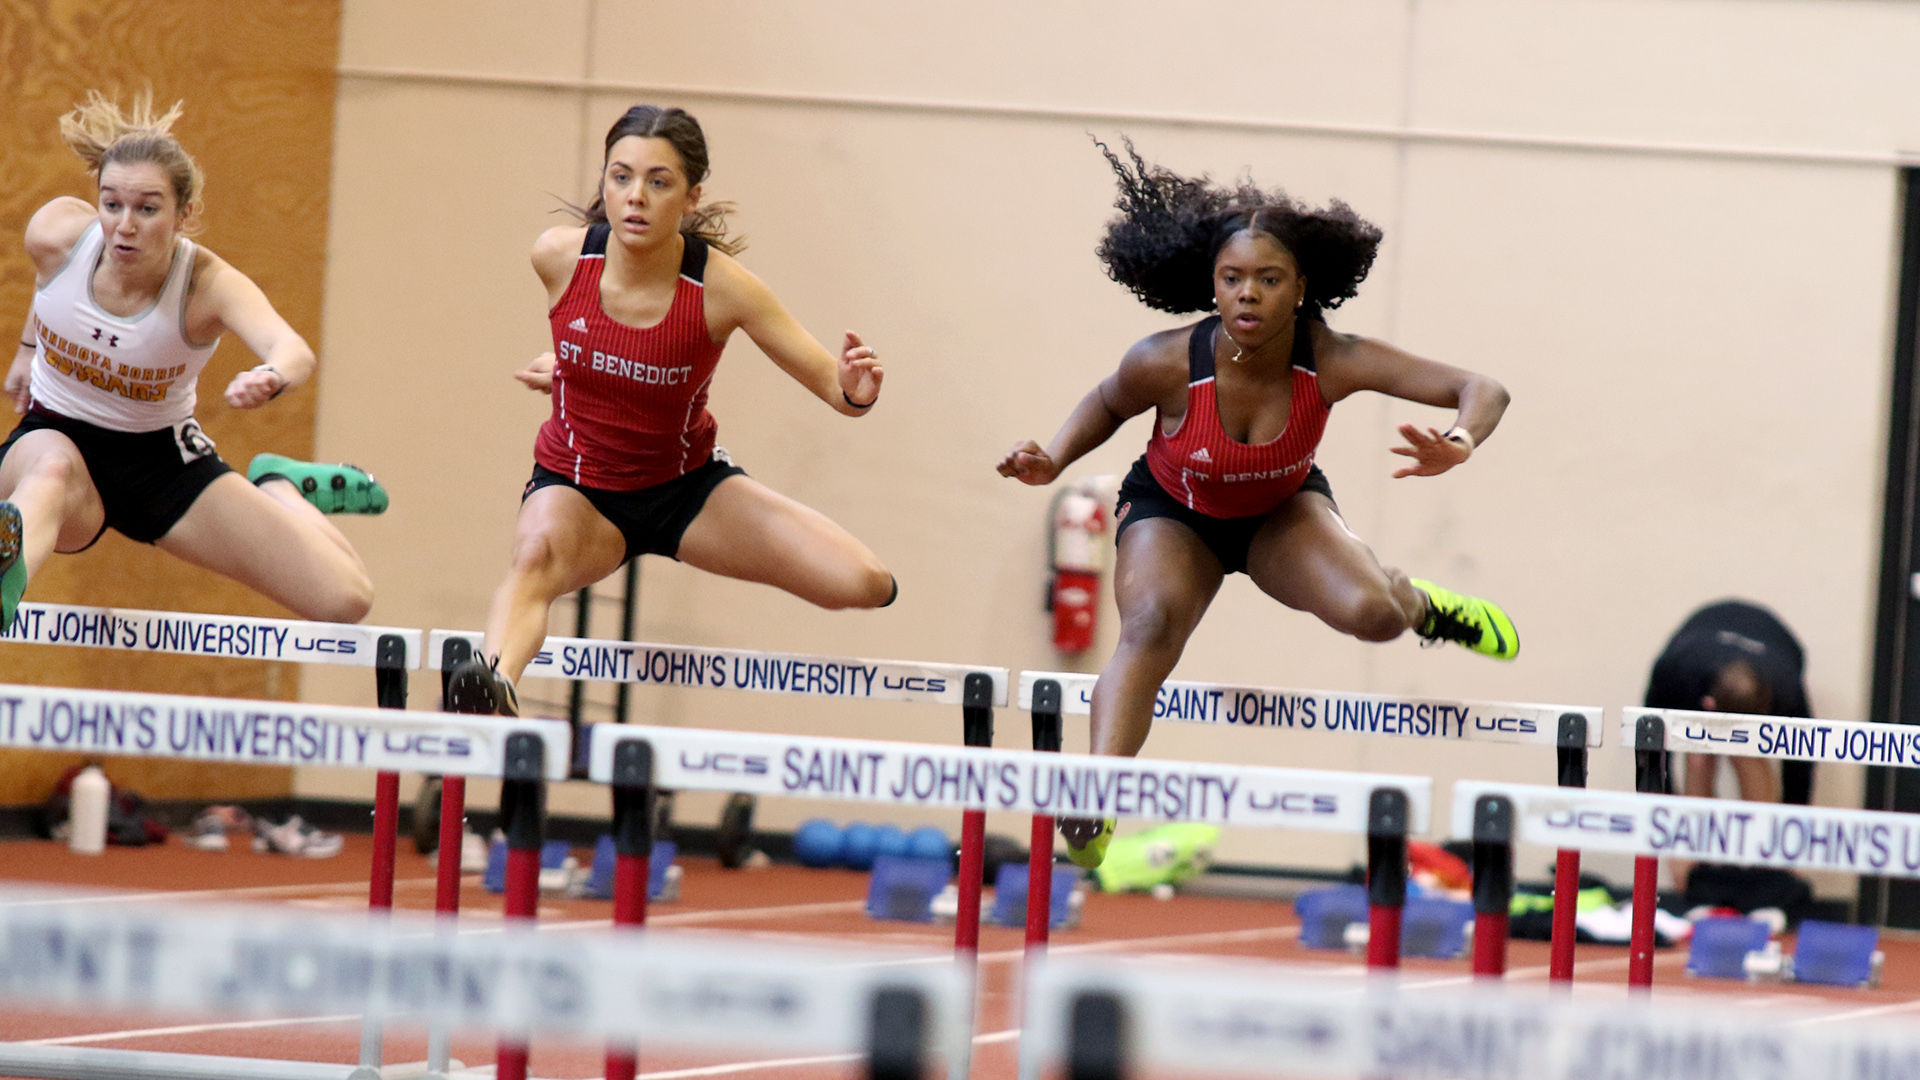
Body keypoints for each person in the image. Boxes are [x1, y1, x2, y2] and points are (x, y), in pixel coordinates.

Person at [998, 142, 1517, 868]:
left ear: (1300, 287)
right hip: (1175, 511)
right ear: (1211, 285)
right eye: (1232, 279)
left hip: (1281, 512)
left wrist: (1459, 441)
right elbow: (1108, 402)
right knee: (1150, 623)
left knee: (1374, 617)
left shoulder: (1330, 358)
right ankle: (1095, 797)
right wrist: (1052, 457)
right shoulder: (1165, 358)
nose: (1248, 294)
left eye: (1268, 280)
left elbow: (1483, 389)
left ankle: (1417, 602)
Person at [443, 105, 895, 718]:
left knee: (866, 583)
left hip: (687, 491)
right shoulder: (559, 258)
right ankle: (492, 685)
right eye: (621, 177)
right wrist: (567, 370)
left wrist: (856, 388)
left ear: (690, 197)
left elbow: (836, 389)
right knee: (535, 558)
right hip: (579, 489)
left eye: (659, 182)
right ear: (604, 183)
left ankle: (493, 683)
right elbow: (594, 344)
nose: (636, 197)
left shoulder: (724, 288)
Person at [0, 93, 385, 631]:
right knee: (52, 470)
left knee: (346, 599)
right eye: (111, 205)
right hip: (54, 434)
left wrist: (272, 374)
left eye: (147, 209)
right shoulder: (55, 233)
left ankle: (278, 484)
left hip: (161, 465)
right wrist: (28, 348)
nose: (125, 225)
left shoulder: (207, 285)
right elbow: (50, 285)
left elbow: (293, 349)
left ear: (184, 214)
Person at [1645, 599, 1814, 805]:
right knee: (1699, 754)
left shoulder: (1786, 689)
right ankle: (1696, 818)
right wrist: (1663, 808)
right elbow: (1652, 747)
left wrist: (1789, 818)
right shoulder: (1676, 671)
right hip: (1699, 649)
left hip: (1771, 642)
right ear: (1708, 704)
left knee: (1747, 756)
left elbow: (1800, 766)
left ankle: (1758, 820)